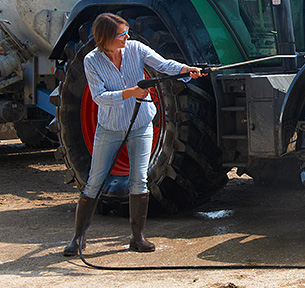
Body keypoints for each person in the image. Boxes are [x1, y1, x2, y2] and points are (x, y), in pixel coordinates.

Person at [63, 13, 205, 256]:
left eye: (126, 32)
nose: (127, 37)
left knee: (139, 179)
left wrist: (185, 69)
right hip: (109, 129)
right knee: (95, 180)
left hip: (141, 125)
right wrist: (131, 92)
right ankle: (78, 238)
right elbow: (99, 97)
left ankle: (137, 237)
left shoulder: (136, 48)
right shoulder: (91, 61)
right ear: (106, 37)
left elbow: (163, 65)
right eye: (121, 34)